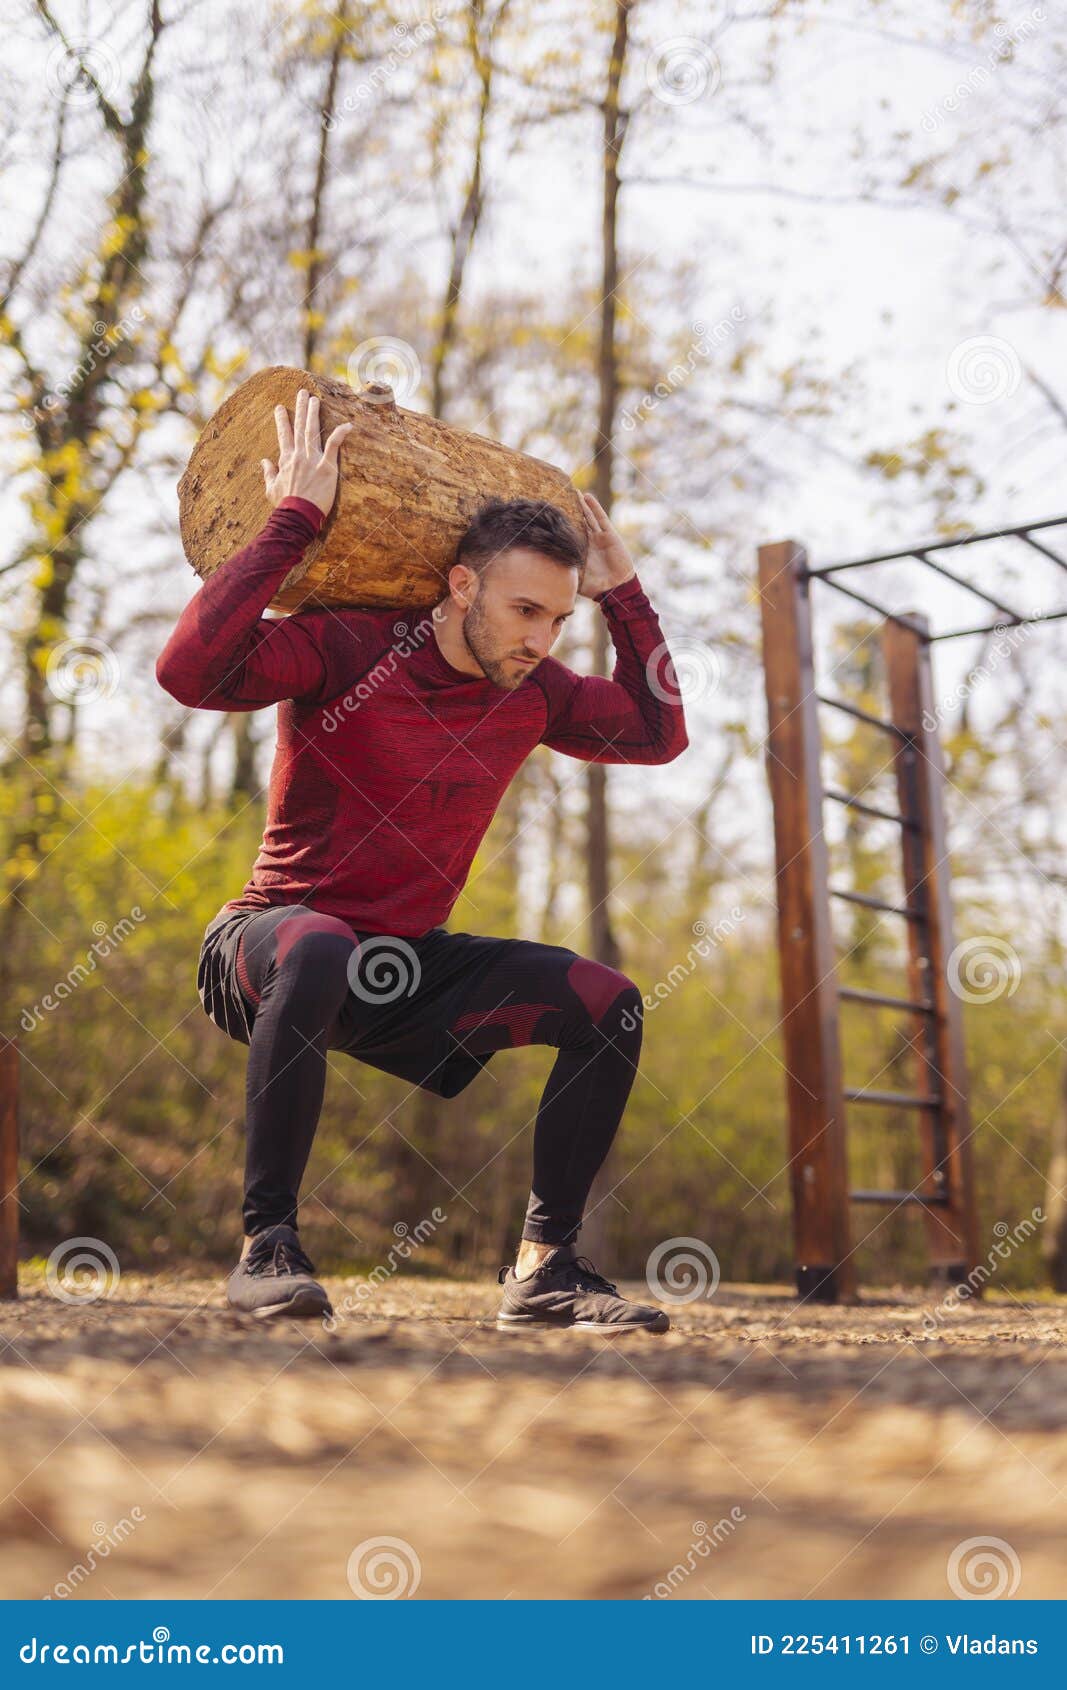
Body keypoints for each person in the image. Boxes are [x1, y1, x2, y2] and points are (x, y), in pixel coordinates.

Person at [156, 388, 689, 1331]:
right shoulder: (347, 645)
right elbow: (187, 673)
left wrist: (625, 598)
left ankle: (544, 1267)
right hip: (264, 951)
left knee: (610, 1005)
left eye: (560, 620)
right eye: (525, 609)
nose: (541, 638)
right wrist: (291, 524)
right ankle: (266, 1246)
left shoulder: (533, 695)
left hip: (398, 970)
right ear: (459, 586)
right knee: (319, 945)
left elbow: (657, 734)